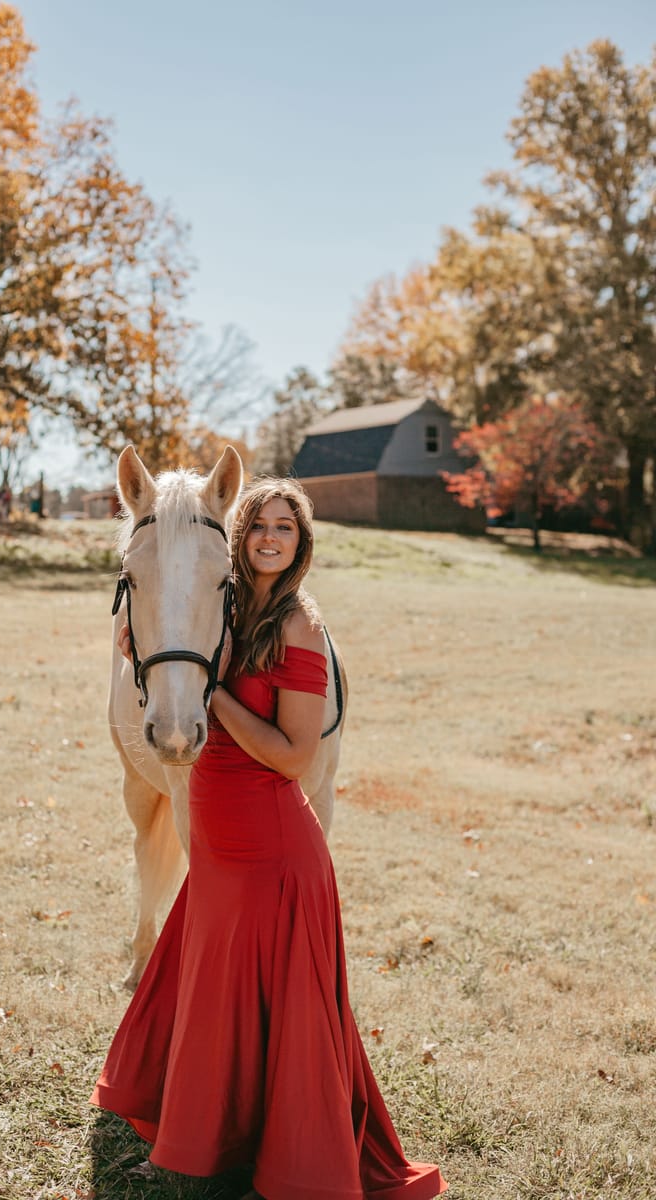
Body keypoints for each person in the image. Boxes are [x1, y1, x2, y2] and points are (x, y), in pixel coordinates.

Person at [91, 478, 447, 1200]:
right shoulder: (226, 606)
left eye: (287, 528)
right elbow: (160, 616)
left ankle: (285, 1149)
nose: (270, 539)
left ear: (301, 541)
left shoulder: (298, 624)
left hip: (273, 846)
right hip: (221, 843)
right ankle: (213, 1129)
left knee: (281, 1006)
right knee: (218, 993)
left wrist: (216, 692)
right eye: (259, 526)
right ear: (238, 532)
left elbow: (294, 757)